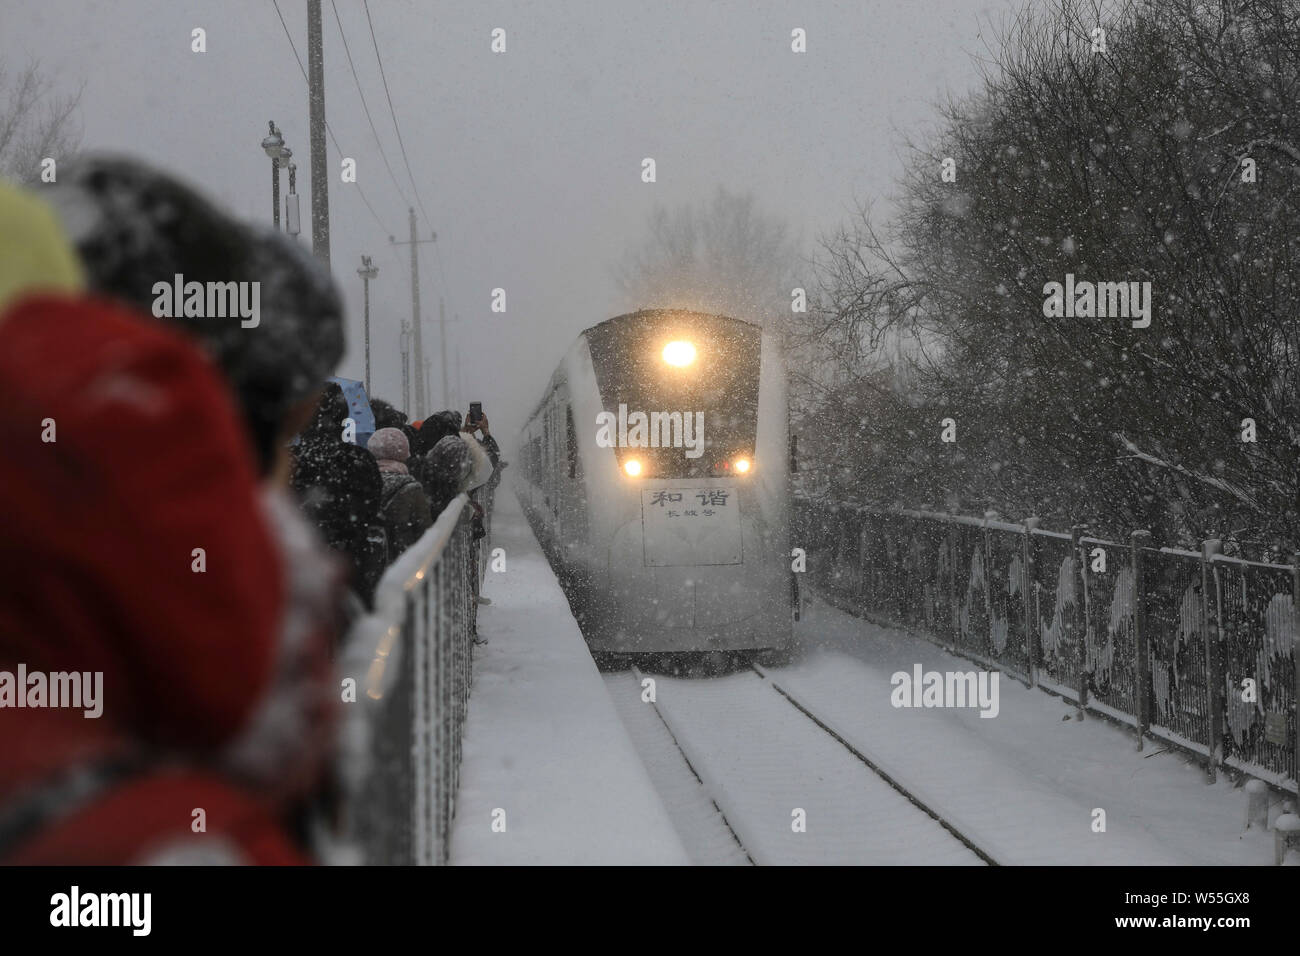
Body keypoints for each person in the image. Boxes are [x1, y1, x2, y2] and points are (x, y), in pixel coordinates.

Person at [367, 427, 432, 558]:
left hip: (369, 566)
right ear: (403, 453)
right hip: (403, 566)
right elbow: (425, 536)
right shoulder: (411, 489)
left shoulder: (362, 483)